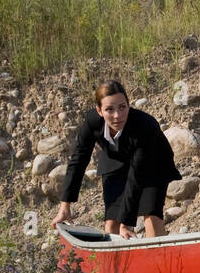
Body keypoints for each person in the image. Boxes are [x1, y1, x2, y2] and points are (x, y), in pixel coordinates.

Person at [51, 80, 182, 239]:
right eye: (109, 109)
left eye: (122, 107)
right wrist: (65, 206)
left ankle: (159, 259)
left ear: (129, 104)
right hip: (115, 159)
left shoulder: (145, 126)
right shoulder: (92, 122)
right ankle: (116, 261)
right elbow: (78, 161)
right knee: (111, 223)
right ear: (99, 111)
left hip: (152, 165)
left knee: (151, 217)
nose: (117, 116)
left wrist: (126, 224)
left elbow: (136, 176)